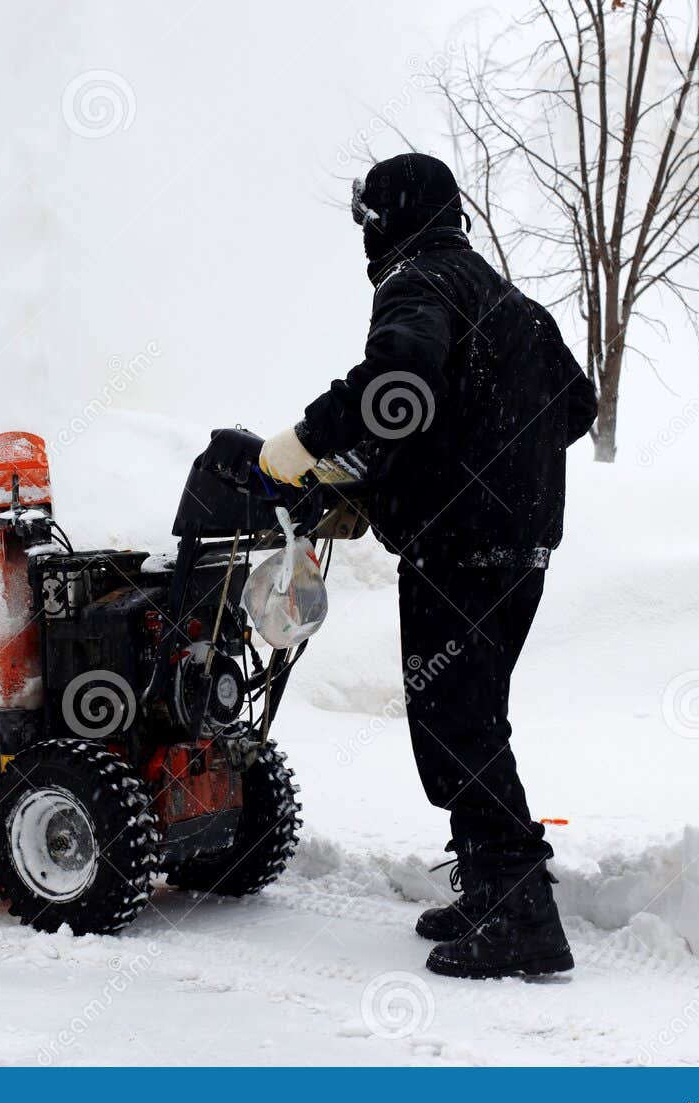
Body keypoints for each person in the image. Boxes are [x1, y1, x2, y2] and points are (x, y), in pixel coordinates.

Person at [257, 153, 597, 979]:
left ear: (388, 223)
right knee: (473, 719)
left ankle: (522, 913)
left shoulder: (418, 282)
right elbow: (576, 406)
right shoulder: (509, 299)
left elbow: (399, 377)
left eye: (367, 223)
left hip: (459, 550)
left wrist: (302, 444)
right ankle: (493, 885)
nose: (365, 240)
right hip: (521, 547)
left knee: (455, 727)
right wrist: (463, 460)